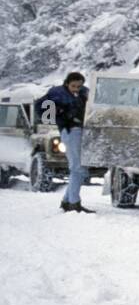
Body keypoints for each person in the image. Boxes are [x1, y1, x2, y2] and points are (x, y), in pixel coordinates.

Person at [40, 72, 93, 213]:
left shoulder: (83, 93)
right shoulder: (57, 94)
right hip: (70, 131)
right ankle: (74, 203)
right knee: (77, 168)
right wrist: (62, 116)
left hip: (81, 131)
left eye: (79, 86)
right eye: (73, 86)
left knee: (80, 169)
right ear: (67, 83)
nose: (76, 88)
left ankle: (67, 201)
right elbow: (43, 109)